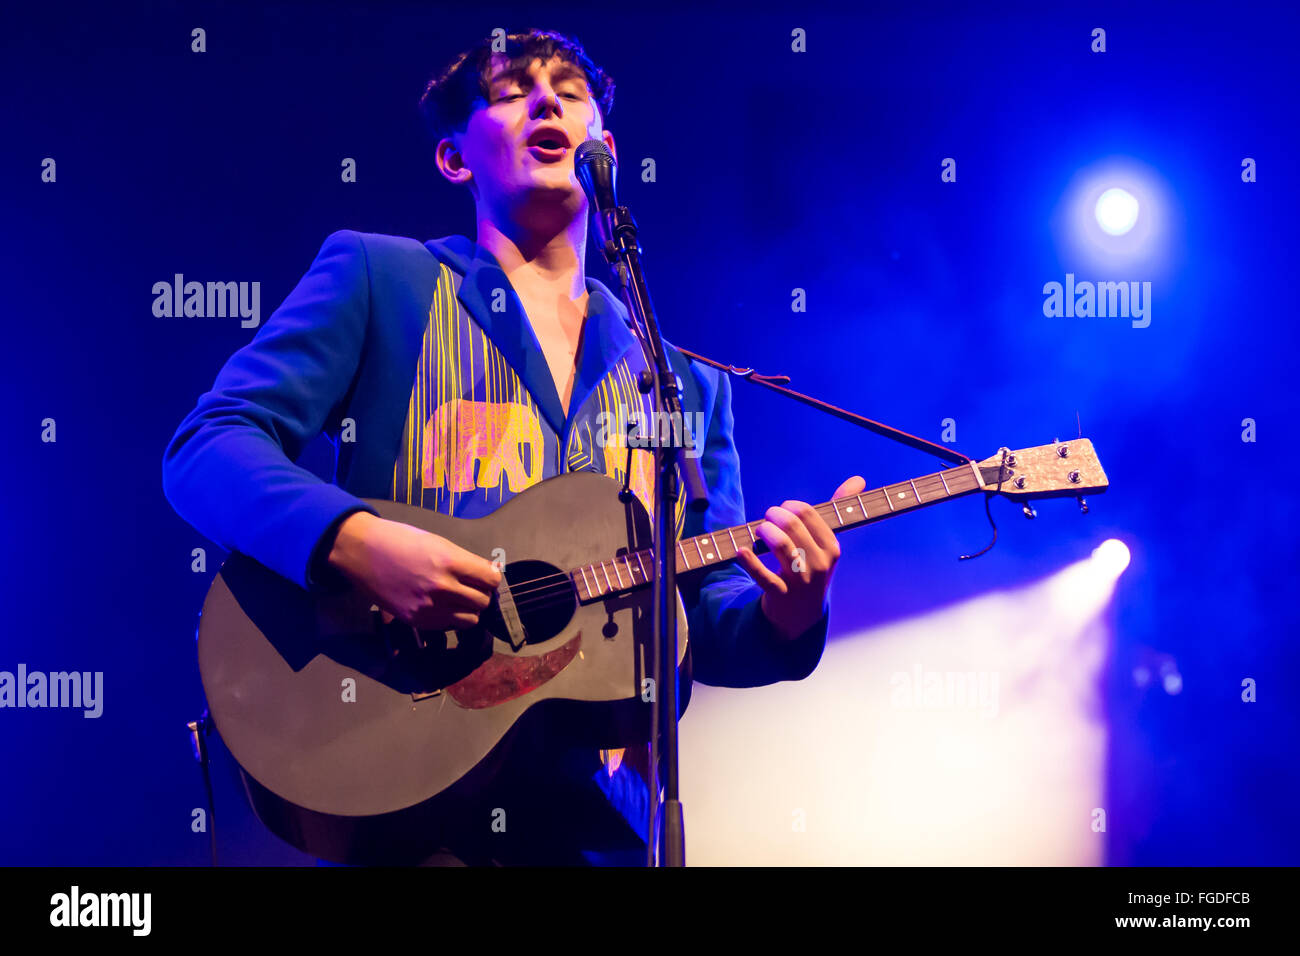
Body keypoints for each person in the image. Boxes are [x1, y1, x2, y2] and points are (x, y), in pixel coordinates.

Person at [162, 27, 865, 866]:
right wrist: (356, 542)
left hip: (605, 818)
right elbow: (208, 445)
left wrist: (791, 611)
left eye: (570, 91)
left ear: (605, 147)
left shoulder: (682, 382)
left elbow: (705, 622)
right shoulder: (381, 281)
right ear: (456, 158)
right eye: (511, 90)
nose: (546, 102)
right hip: (409, 771)